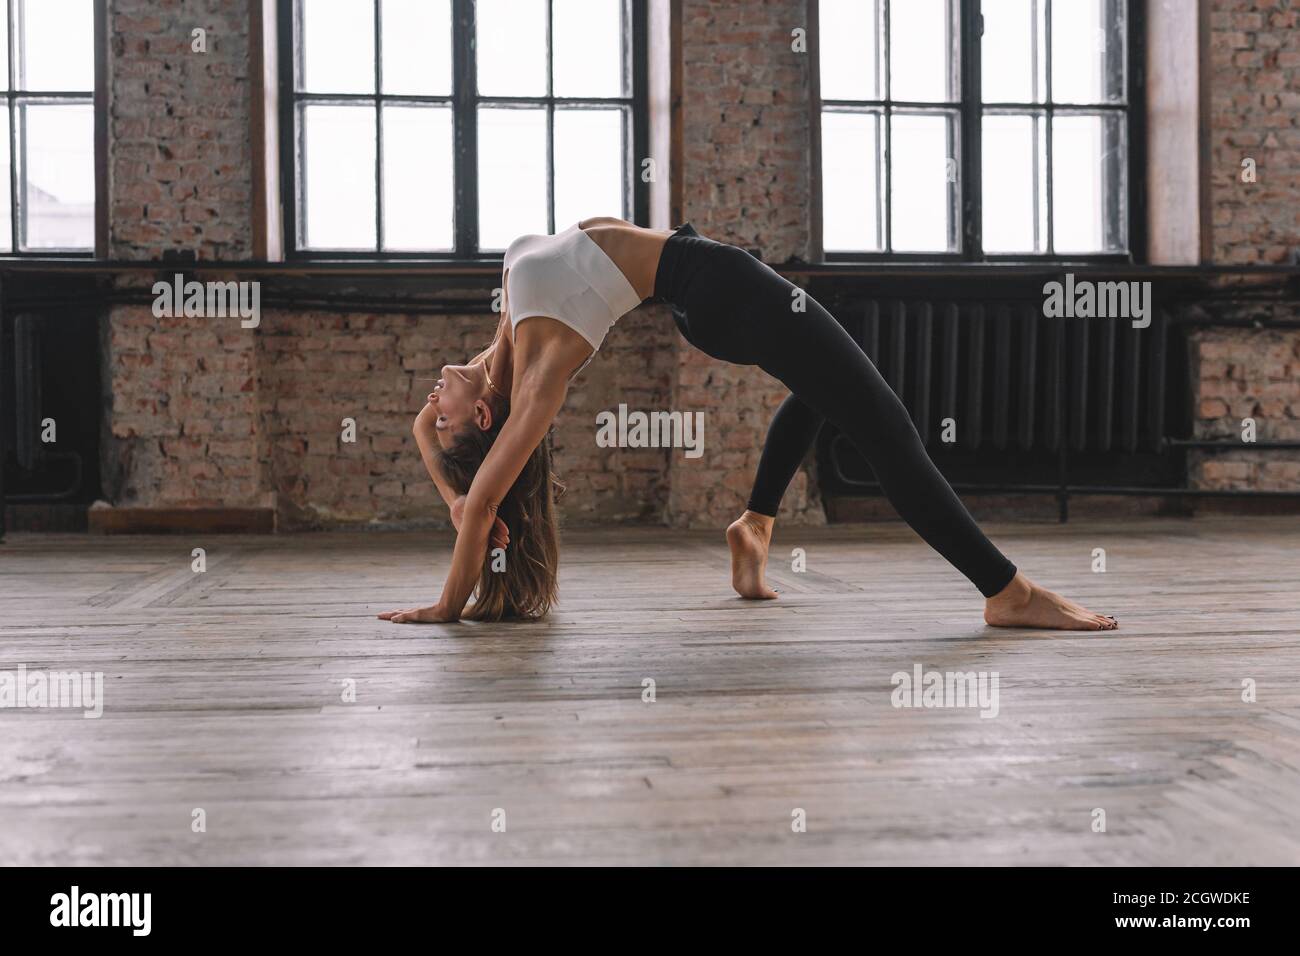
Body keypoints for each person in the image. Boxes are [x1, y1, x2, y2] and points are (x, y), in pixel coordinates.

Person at [380, 217, 1118, 631]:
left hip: (706, 292)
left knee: (832, 395)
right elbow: (484, 503)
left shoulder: (503, 345)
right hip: (718, 285)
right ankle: (1006, 591)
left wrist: (451, 494)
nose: (429, 396)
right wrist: (447, 605)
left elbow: (432, 441)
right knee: (886, 426)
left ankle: (756, 525)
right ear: (483, 415)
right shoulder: (538, 377)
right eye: (448, 416)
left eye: (433, 401)